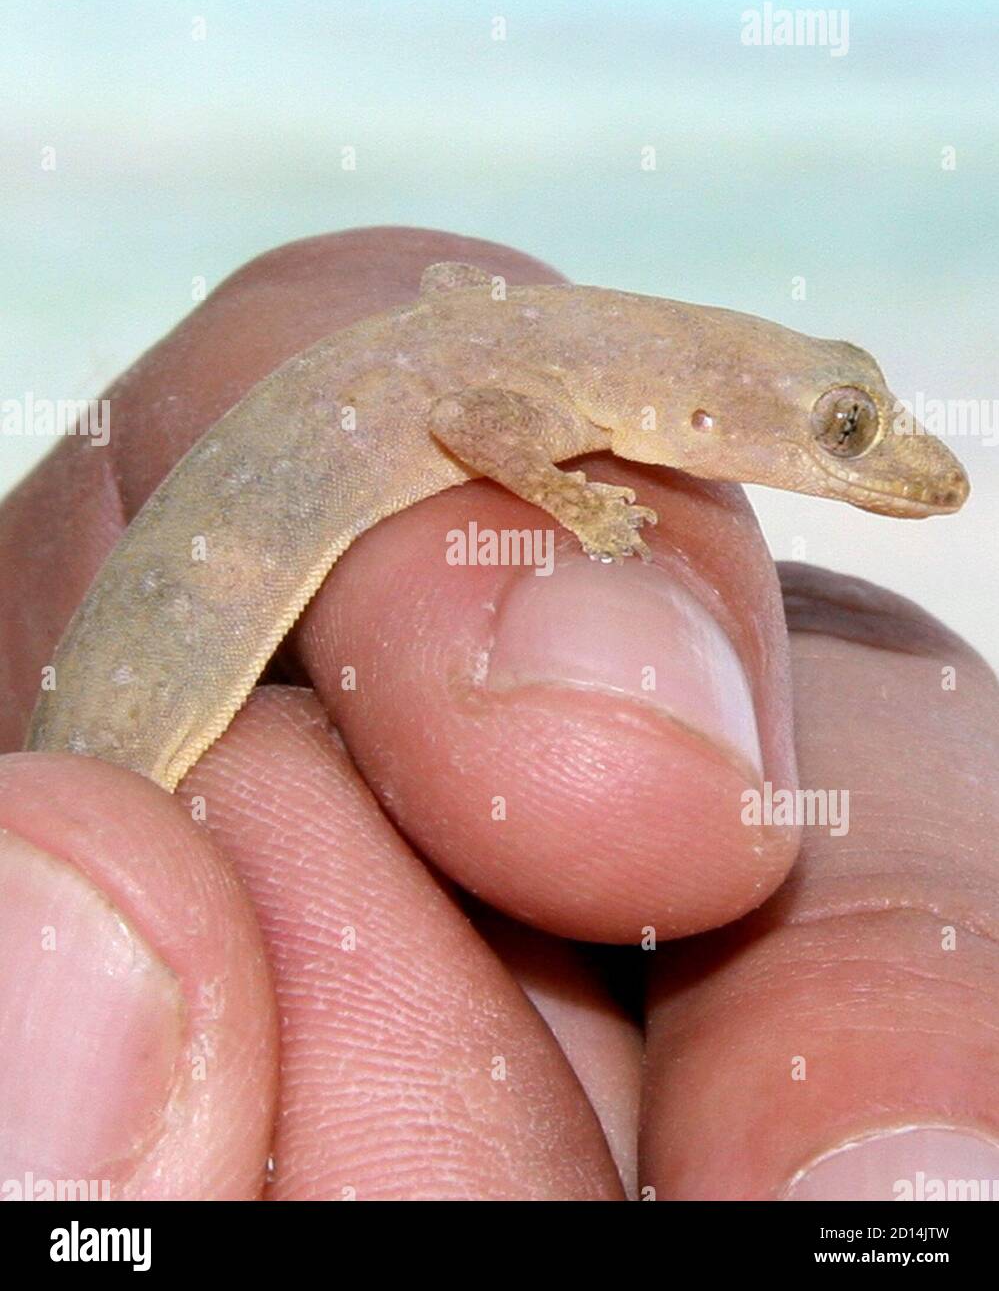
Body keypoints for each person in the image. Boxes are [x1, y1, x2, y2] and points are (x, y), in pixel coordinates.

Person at [1, 228, 996, 1201]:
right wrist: (574, 503)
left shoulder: (553, 354)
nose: (901, 463)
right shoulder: (559, 391)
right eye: (846, 430)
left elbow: (447, 285)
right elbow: (475, 420)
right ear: (701, 413)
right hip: (137, 701)